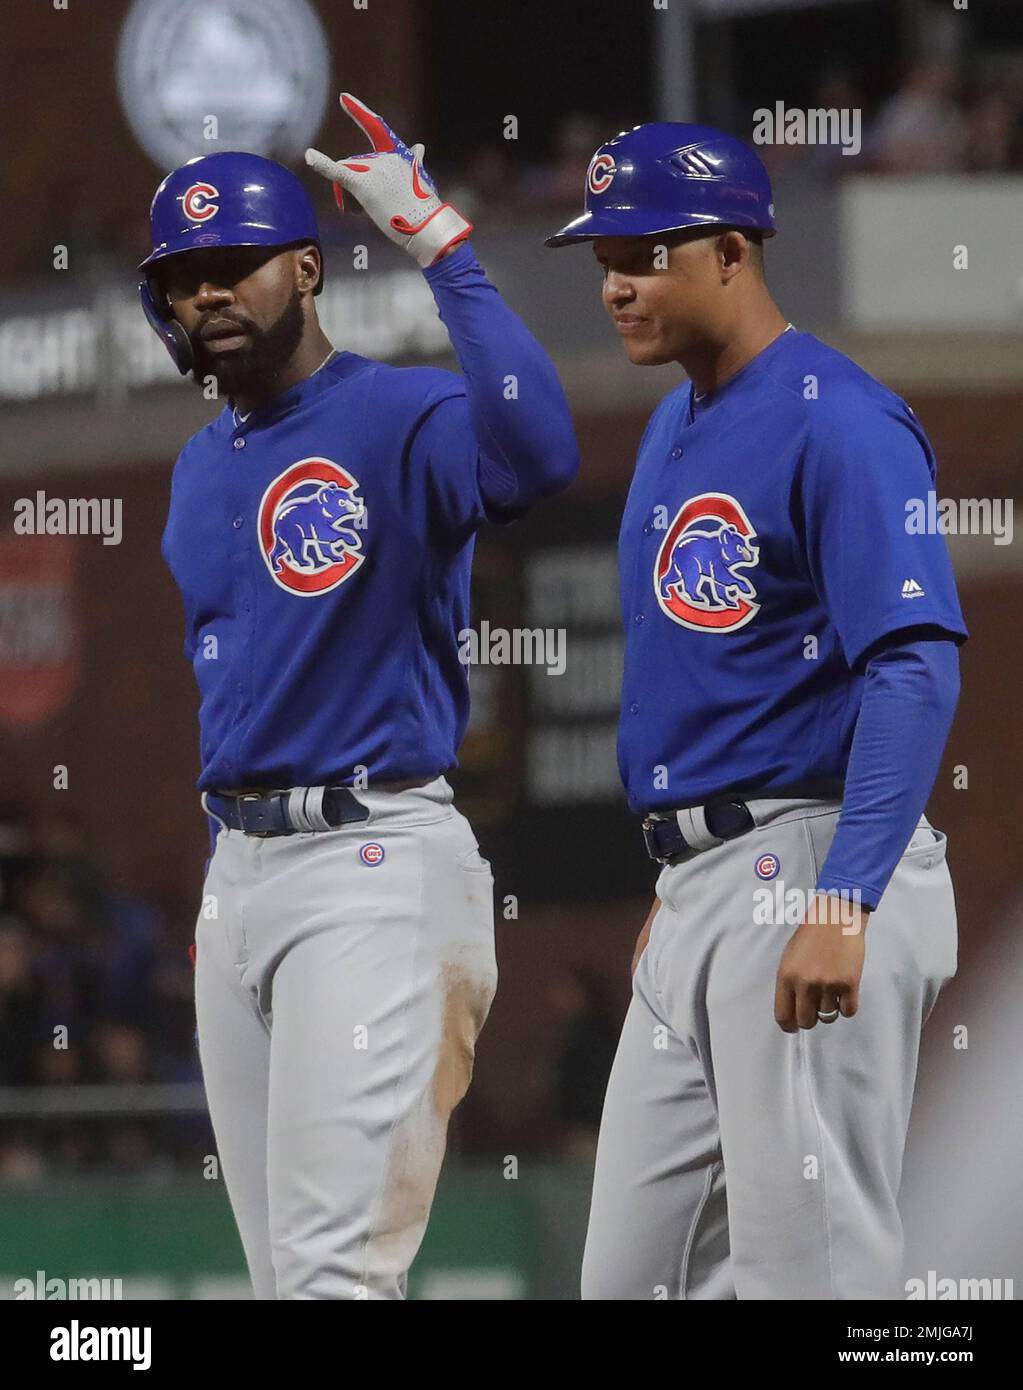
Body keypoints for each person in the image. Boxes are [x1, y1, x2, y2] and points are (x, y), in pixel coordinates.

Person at [139, 92, 579, 1299]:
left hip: (372, 863)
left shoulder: (402, 410)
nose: (210, 293)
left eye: (236, 264)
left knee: (335, 1276)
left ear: (307, 267)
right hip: (242, 877)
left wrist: (445, 247)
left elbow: (541, 453)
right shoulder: (198, 459)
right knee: (286, 1278)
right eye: (185, 276)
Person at [546, 122, 966, 1300]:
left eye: (642, 251)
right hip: (703, 892)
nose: (615, 283)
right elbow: (716, 688)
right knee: (625, 1283)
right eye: (602, 257)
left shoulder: (842, 416)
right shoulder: (676, 424)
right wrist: (683, 884)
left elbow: (916, 666)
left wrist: (845, 894)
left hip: (815, 861)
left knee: (814, 1282)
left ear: (731, 248)